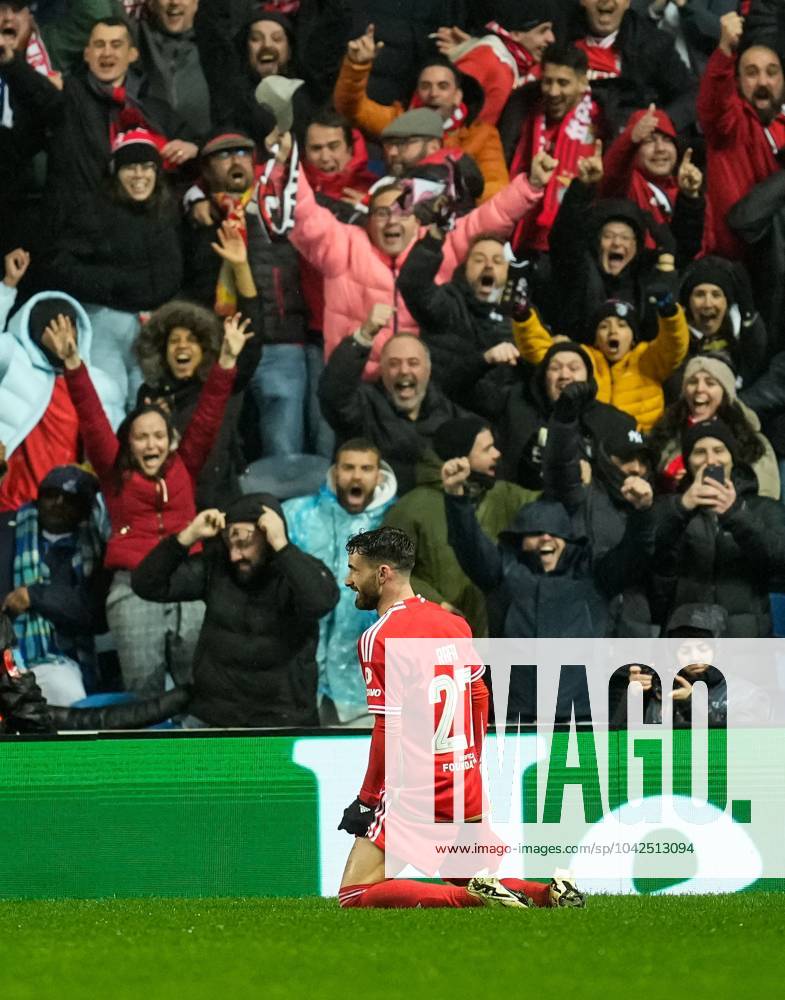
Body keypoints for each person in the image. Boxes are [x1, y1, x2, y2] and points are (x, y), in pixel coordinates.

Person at [337, 525, 583, 909]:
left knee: (355, 894)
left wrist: (367, 799)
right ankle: (548, 892)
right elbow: (480, 695)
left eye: (355, 569)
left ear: (382, 573)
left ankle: (467, 900)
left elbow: (387, 726)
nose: (349, 579)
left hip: (415, 789)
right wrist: (470, 760)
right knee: (479, 875)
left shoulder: (378, 638)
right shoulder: (454, 623)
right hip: (462, 780)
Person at [42, 305, 251, 696]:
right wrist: (72, 362)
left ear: (171, 440)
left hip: (188, 585)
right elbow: (91, 417)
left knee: (201, 692)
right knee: (144, 696)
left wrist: (226, 359)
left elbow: (208, 414)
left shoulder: (185, 465)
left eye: (159, 435)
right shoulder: (115, 473)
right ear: (128, 444)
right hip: (134, 588)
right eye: (141, 436)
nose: (151, 443)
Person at [290, 139, 554, 381]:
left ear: (417, 219)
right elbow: (305, 215)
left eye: (402, 211)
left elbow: (491, 216)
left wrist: (531, 184)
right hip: (357, 386)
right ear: (368, 219)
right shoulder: (344, 243)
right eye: (382, 213)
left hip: (422, 385)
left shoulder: (438, 241)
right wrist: (283, 161)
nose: (392, 220)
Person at [131, 493, 339, 727]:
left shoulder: (296, 570)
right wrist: (187, 537)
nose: (234, 554)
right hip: (214, 714)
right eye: (229, 542)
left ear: (267, 535)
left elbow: (321, 601)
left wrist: (283, 546)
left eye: (243, 542)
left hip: (282, 717)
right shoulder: (216, 567)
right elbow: (146, 585)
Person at [0, 16, 197, 239]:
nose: (106, 53)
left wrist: (192, 148)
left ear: (132, 55)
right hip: (80, 238)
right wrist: (11, 63)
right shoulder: (68, 98)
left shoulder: (155, 110)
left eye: (116, 45)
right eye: (99, 45)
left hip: (144, 236)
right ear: (87, 54)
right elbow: (40, 93)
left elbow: (199, 151)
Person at [46, 127, 183, 408]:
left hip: (156, 326)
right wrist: (113, 284)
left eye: (147, 167)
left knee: (152, 410)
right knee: (107, 404)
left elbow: (180, 265)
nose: (139, 176)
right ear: (116, 172)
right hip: (107, 322)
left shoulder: (168, 211)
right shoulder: (94, 210)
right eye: (130, 167)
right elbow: (60, 264)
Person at [135, 221, 263, 509]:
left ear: (205, 349)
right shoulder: (148, 393)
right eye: (174, 341)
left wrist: (241, 269)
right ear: (160, 350)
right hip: (167, 508)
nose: (182, 346)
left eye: (191, 340)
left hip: (219, 504)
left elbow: (252, 336)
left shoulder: (224, 382)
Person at [383, 417, 536, 637]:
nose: (497, 454)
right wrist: (434, 604)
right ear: (460, 457)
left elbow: (550, 504)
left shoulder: (503, 496)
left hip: (497, 638)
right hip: (435, 639)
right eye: (487, 449)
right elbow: (386, 571)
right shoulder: (412, 508)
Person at [283, 439, 397, 727]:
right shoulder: (297, 515)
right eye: (348, 467)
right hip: (300, 675)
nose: (356, 476)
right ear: (335, 472)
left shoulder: (396, 524)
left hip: (368, 684)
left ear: (379, 476)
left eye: (365, 468)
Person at [0, 255, 123, 512]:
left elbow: (113, 454)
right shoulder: (14, 362)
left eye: (68, 327)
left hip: (72, 510)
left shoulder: (100, 385)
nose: (62, 337)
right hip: (11, 504)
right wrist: (7, 287)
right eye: (51, 327)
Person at [334, 31, 508, 201]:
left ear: (458, 96)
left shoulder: (482, 135)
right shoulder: (399, 121)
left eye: (443, 86)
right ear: (417, 93)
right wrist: (357, 66)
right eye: (425, 86)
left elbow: (495, 190)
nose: (433, 93)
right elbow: (352, 108)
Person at [650, 417, 785, 636]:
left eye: (719, 450)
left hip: (748, 641)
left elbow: (779, 560)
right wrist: (683, 507)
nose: (710, 459)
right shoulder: (669, 507)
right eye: (700, 452)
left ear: (732, 457)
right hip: (688, 643)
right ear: (688, 461)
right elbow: (646, 555)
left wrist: (736, 514)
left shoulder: (762, 507)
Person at [0, 464, 104, 706]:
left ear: (83, 509)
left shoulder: (93, 548)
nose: (58, 503)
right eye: (51, 494)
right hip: (7, 652)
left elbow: (92, 610)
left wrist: (34, 596)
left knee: (65, 692)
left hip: (59, 659)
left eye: (70, 499)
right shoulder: (7, 529)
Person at [319, 332, 468, 496]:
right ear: (381, 369)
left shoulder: (446, 410)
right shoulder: (363, 404)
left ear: (428, 369)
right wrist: (362, 338)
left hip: (431, 510)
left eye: (413, 363)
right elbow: (333, 394)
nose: (404, 370)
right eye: (394, 364)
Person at [513, 292, 689, 430]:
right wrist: (524, 317)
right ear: (596, 338)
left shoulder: (647, 358)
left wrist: (669, 313)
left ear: (633, 337)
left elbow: (673, 344)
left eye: (622, 325)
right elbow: (540, 349)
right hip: (590, 444)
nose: (613, 332)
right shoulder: (583, 357)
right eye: (604, 326)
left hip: (640, 450)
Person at [396, 227, 520, 412]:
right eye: (479, 260)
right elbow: (413, 285)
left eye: (497, 261)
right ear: (465, 267)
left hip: (501, 423)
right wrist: (433, 240)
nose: (488, 266)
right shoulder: (448, 303)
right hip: (446, 415)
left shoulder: (521, 315)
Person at [698, 11, 785, 259]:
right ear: (736, 81)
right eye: (752, 72)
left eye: (772, 72)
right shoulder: (729, 124)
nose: (763, 82)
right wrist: (725, 50)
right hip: (735, 266)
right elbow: (713, 101)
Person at [501, 42, 602, 254]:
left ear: (582, 82)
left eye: (563, 83)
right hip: (519, 236)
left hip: (574, 246)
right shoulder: (522, 113)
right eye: (548, 82)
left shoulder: (602, 121)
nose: (553, 91)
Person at [648, 354, 779, 499]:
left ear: (726, 394)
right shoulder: (667, 434)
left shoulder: (752, 441)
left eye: (710, 383)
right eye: (692, 382)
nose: (699, 389)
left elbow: (766, 497)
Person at [568, 0, 698, 133]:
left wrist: (658, 124)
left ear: (628, 2)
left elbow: (691, 93)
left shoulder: (653, 44)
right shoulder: (559, 38)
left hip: (632, 143)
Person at [599, 104, 705, 265]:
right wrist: (630, 139)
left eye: (667, 140)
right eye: (649, 141)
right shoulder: (627, 184)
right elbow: (611, 174)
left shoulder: (684, 186)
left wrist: (690, 198)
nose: (660, 148)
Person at [434, 0, 557, 124]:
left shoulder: (519, 66)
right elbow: (440, 108)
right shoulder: (487, 60)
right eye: (543, 30)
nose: (551, 38)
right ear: (516, 34)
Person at [128, 0, 211, 143]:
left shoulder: (217, 49)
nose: (174, 2)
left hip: (205, 154)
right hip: (150, 155)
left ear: (196, 3)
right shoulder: (136, 43)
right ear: (151, 4)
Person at [678, 256, 768, 386]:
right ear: (688, 302)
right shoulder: (676, 339)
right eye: (699, 295)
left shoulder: (740, 334)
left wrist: (748, 315)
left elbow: (756, 357)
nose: (708, 304)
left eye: (716, 295)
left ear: (727, 303)